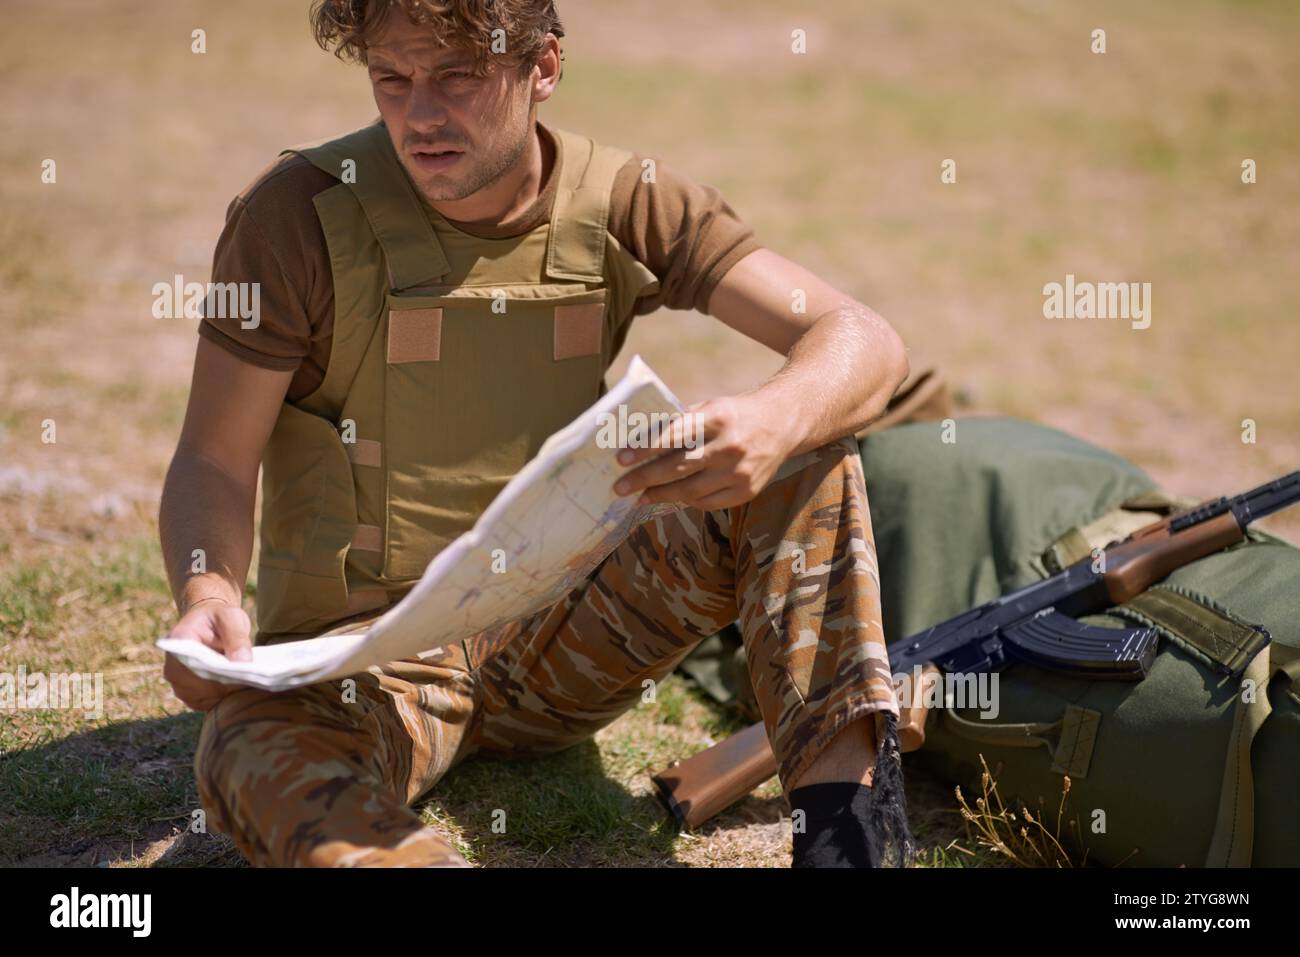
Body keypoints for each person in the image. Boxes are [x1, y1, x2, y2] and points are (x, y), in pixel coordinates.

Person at [159, 0, 914, 868]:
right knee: (243, 746)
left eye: (459, 77)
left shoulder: (624, 198)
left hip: (561, 637)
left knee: (809, 446)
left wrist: (773, 418)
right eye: (392, 80)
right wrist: (207, 595)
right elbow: (213, 457)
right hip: (365, 671)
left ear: (543, 68)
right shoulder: (294, 217)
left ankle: (846, 843)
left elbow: (864, 339)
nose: (421, 115)